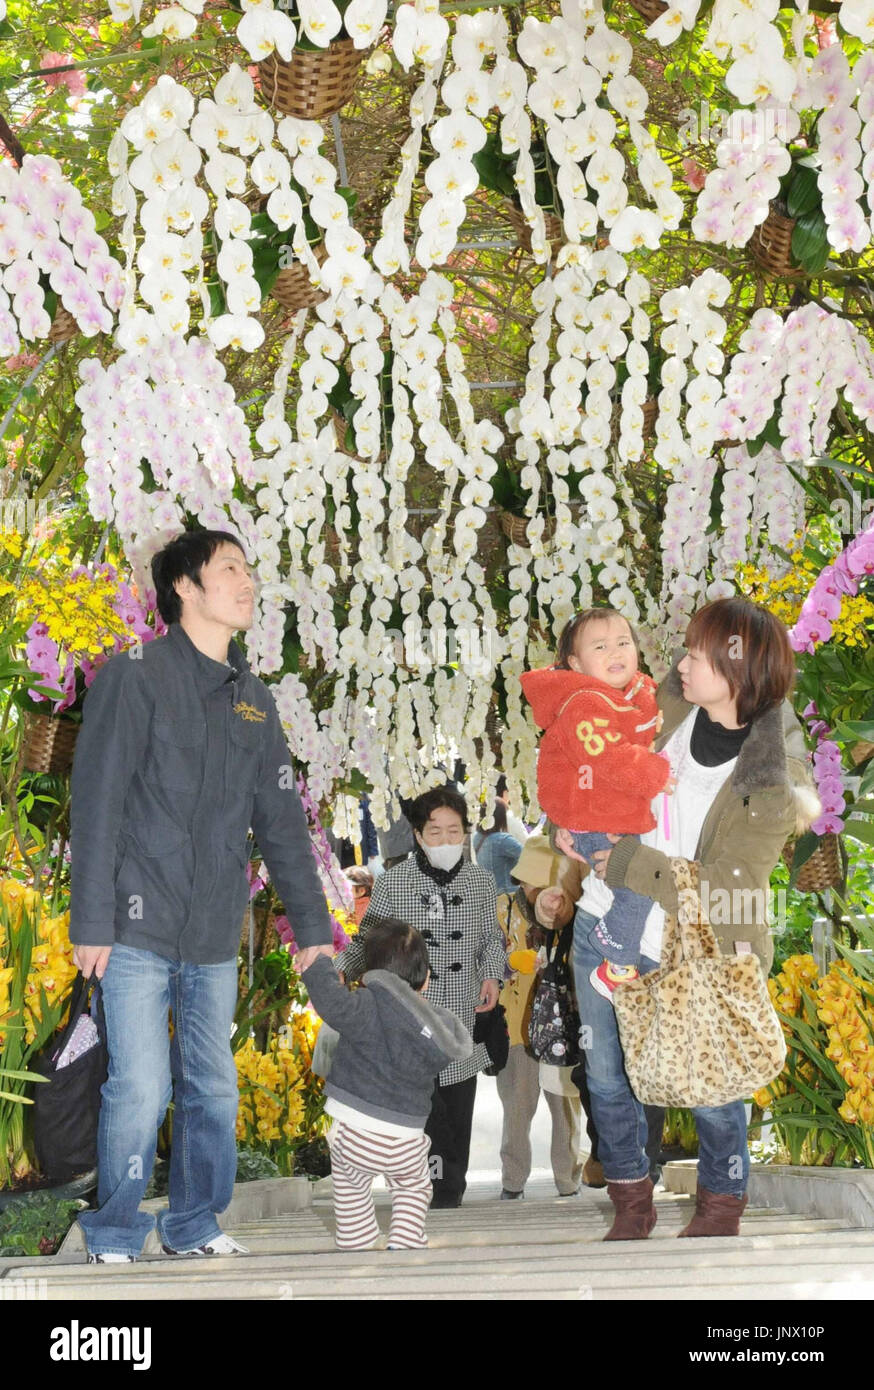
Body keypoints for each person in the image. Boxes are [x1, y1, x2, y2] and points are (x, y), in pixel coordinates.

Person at [69, 531, 333, 1263]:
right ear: (185, 587)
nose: (247, 581)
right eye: (230, 569)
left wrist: (309, 924)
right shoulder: (136, 676)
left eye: (248, 568)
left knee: (213, 1091)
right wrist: (90, 920)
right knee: (142, 1087)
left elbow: (283, 822)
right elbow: (98, 805)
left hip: (215, 932)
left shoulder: (254, 701)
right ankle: (116, 1230)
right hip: (133, 926)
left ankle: (194, 1223)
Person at [566, 598, 819, 1240]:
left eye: (696, 657)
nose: (679, 664)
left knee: (713, 1079)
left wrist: (622, 859)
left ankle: (718, 1207)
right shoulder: (666, 710)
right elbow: (587, 769)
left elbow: (722, 887)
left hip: (703, 944)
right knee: (605, 1074)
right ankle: (630, 1200)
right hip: (604, 926)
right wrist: (567, 829)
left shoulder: (771, 780)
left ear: (737, 673)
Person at [335, 785, 506, 1208]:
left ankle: (450, 1191)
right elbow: (370, 939)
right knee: (421, 1106)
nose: (446, 841)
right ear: (416, 835)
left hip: (461, 1011)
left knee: (456, 1104)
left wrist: (492, 977)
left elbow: (491, 939)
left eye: (454, 832)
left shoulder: (482, 881)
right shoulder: (395, 881)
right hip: (411, 1014)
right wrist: (338, 968)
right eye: (435, 832)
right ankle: (419, 1189)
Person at [521, 608, 673, 1000]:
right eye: (600, 647)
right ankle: (614, 951)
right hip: (591, 820)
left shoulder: (641, 691)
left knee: (638, 880)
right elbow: (610, 757)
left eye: (623, 643)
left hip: (616, 816)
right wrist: (657, 774)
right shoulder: (583, 703)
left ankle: (615, 950)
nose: (615, 652)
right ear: (575, 663)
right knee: (637, 886)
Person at [301, 919, 473, 1250]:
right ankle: (406, 1242)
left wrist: (318, 963)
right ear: (423, 981)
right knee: (413, 1187)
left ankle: (357, 1241)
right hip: (407, 1137)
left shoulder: (364, 1006)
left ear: (370, 971)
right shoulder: (433, 1027)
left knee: (351, 1187)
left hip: (354, 1131)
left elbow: (329, 1000)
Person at [494, 836, 594, 1199]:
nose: (542, 891)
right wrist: (511, 963)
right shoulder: (501, 909)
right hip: (516, 1027)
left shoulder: (573, 913)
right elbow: (485, 961)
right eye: (533, 882)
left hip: (563, 1031)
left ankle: (568, 1179)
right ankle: (512, 1182)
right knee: (517, 1110)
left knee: (566, 1109)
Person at [473, 801, 523, 896]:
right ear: (501, 817)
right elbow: (527, 855)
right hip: (506, 895)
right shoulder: (502, 840)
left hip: (488, 895)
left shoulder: (477, 837)